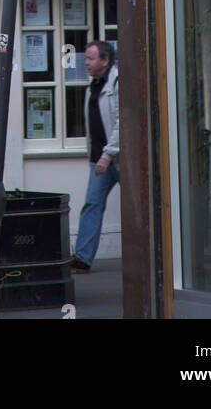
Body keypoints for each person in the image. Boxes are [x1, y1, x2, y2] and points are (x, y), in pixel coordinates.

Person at [70, 40, 119, 272]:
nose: (86, 63)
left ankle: (148, 256)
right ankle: (82, 258)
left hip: (118, 158)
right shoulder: (93, 86)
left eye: (90, 59)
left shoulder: (117, 83)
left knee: (139, 209)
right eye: (86, 59)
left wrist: (108, 155)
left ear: (105, 61)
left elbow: (122, 122)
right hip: (99, 158)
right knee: (92, 204)